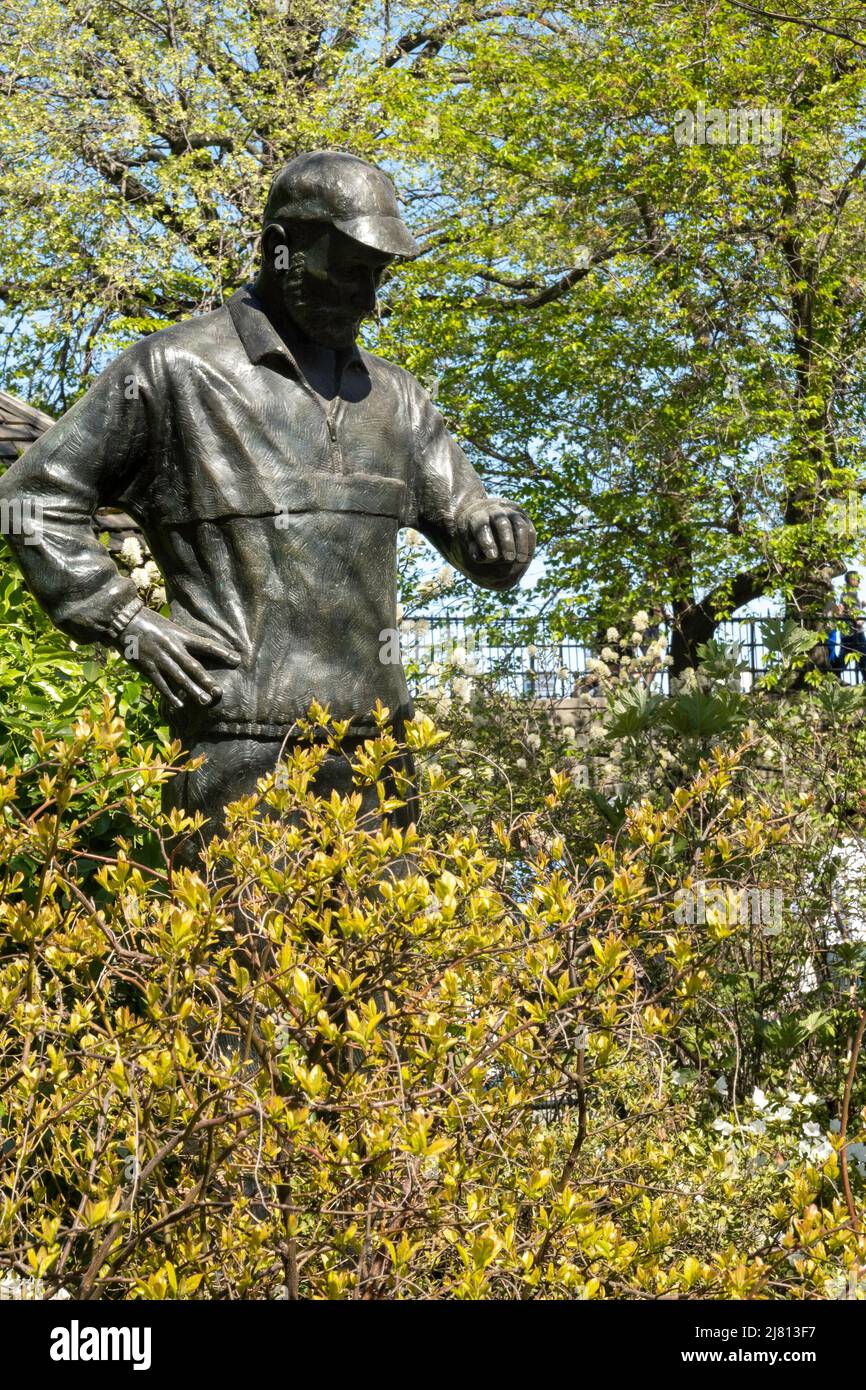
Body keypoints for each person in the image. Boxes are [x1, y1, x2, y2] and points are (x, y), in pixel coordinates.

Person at [0, 151, 536, 861]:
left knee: (385, 968)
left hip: (379, 761)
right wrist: (127, 621)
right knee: (236, 964)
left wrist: (499, 534)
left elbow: (470, 522)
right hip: (237, 753)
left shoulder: (396, 398)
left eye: (376, 277)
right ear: (280, 252)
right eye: (349, 270)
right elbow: (35, 501)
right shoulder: (173, 373)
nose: (368, 299)